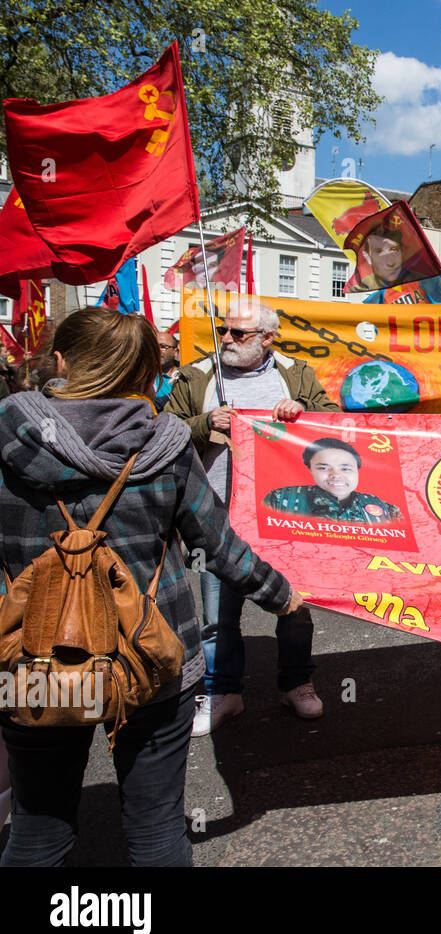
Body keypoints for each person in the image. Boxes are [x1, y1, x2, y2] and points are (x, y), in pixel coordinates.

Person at [0, 307, 301, 865]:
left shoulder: (8, 434)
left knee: (37, 829)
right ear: (148, 373)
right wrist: (280, 595)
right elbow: (217, 544)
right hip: (152, 651)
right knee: (158, 828)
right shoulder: (164, 442)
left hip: (33, 654)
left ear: (60, 361)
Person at [164, 303, 341, 735]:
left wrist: (302, 411)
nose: (226, 339)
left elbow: (333, 420)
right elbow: (164, 432)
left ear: (267, 338)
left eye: (239, 334)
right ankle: (224, 691)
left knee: (294, 607)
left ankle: (297, 683)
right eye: (224, 331)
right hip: (215, 518)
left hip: (285, 518)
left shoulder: (295, 373)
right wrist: (205, 424)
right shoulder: (196, 376)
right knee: (217, 616)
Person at [263, 437, 403, 524]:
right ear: (310, 469)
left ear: (357, 470)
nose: (335, 475)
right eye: (324, 468)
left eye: (345, 469)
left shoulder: (385, 510)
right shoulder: (281, 499)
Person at [153, 329, 180, 410]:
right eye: (154, 346)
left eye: (163, 347)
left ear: (175, 352)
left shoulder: (183, 378)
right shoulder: (143, 376)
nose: (157, 350)